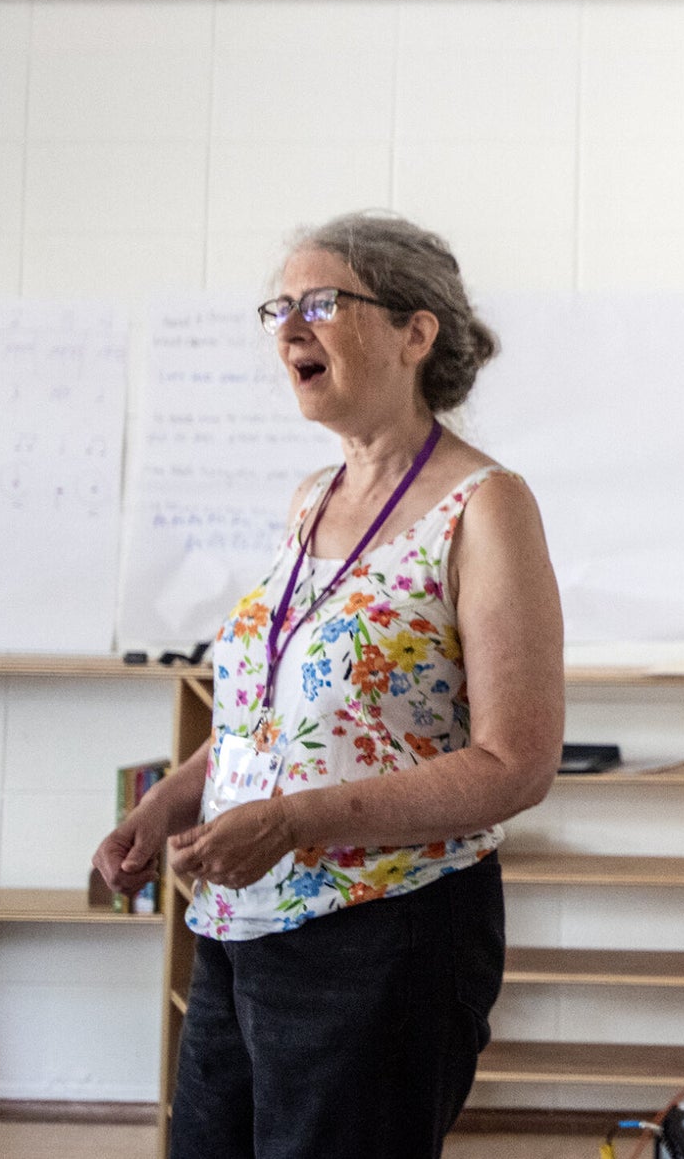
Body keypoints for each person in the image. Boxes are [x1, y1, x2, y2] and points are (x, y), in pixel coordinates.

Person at [92, 210, 565, 1159]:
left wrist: (297, 822)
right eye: (279, 308)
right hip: (236, 922)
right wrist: (166, 805)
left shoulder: (487, 505)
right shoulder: (312, 498)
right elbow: (262, 722)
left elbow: (516, 764)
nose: (288, 330)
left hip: (384, 932)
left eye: (320, 303)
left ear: (413, 332)